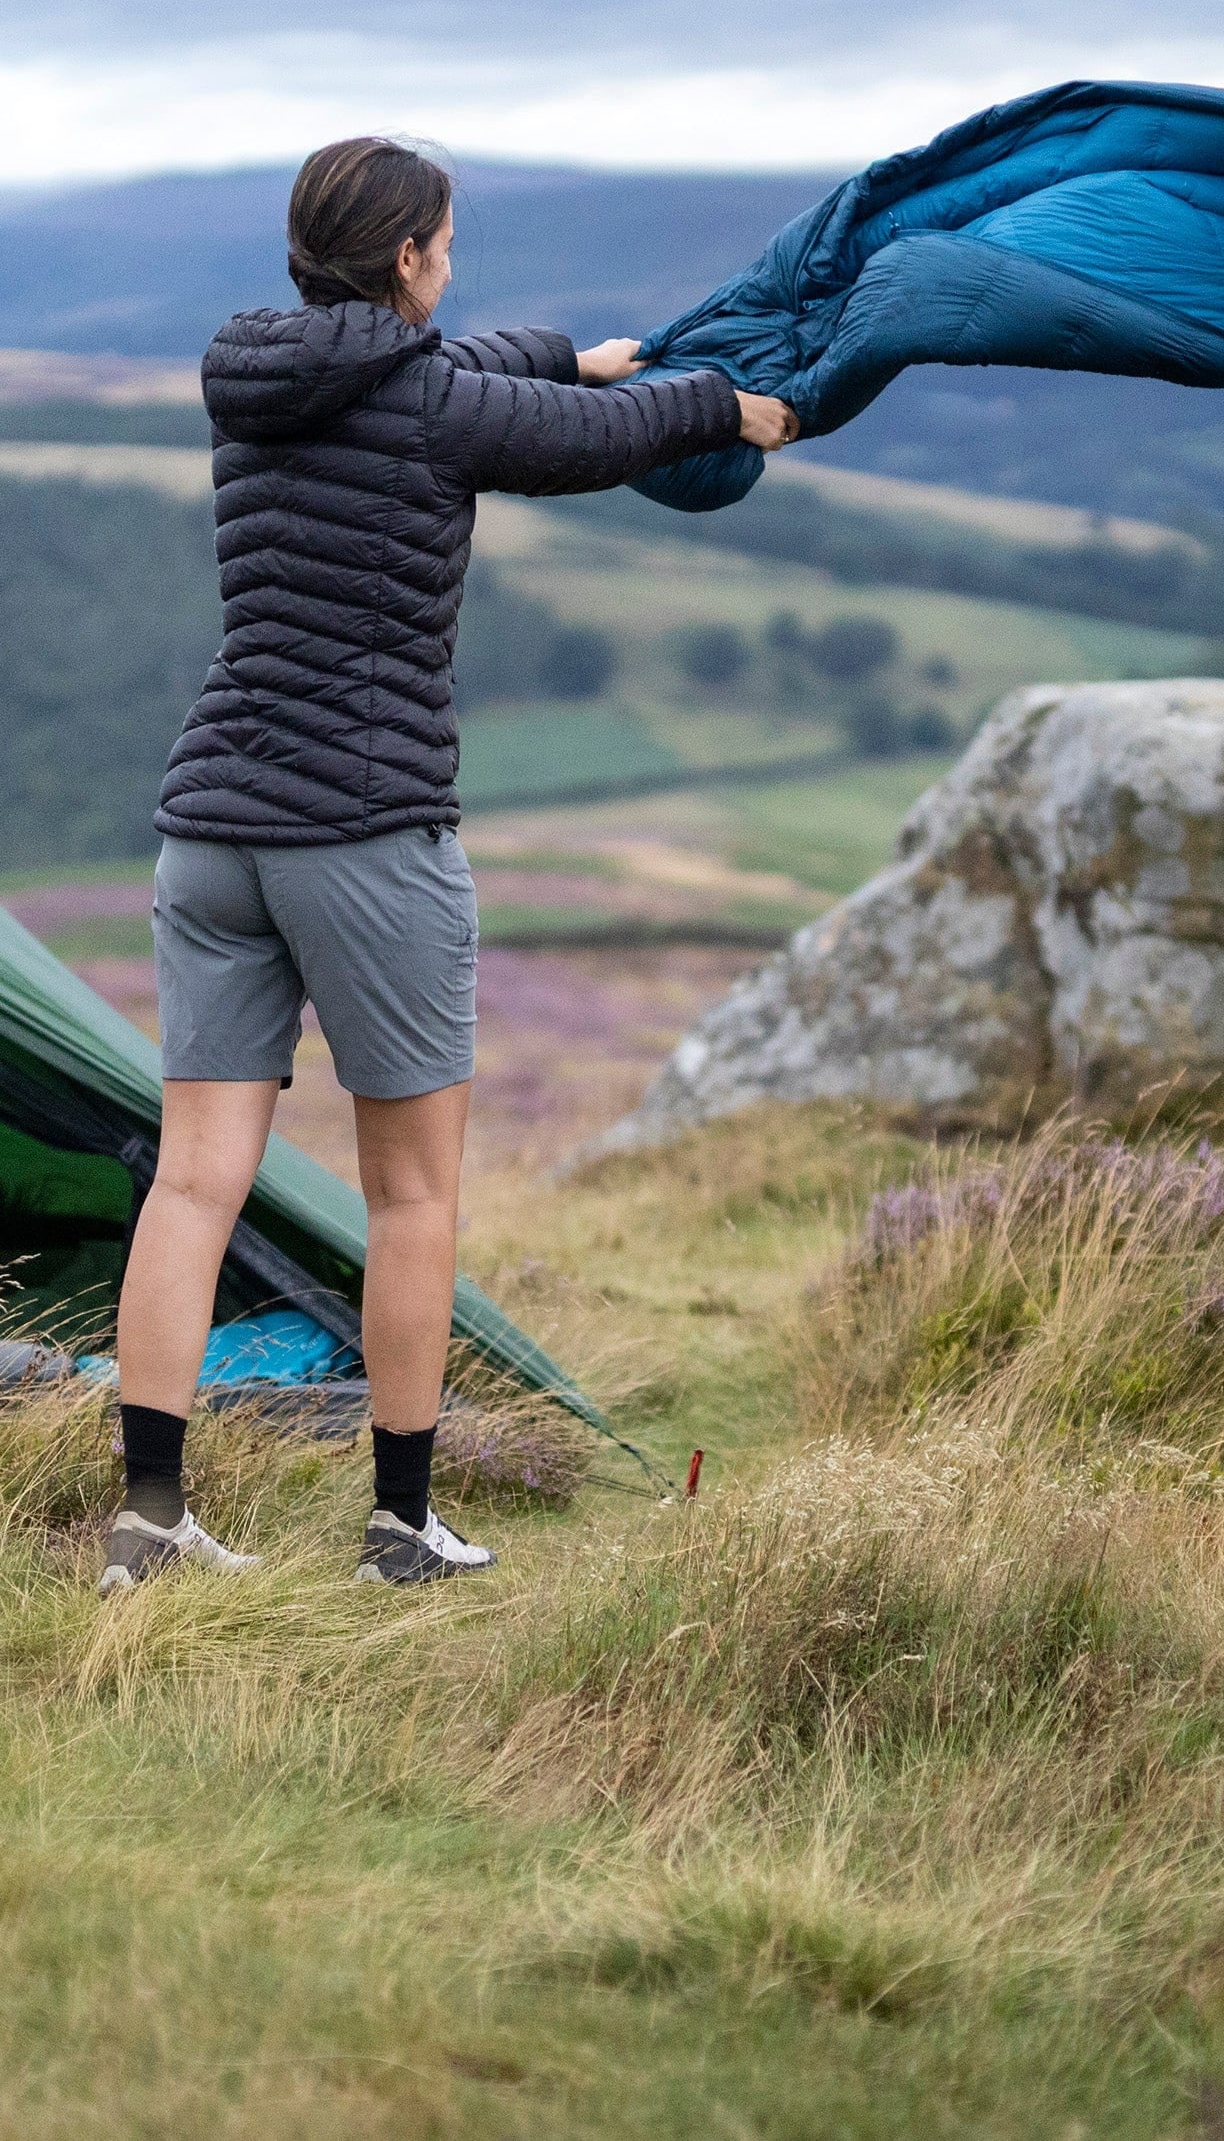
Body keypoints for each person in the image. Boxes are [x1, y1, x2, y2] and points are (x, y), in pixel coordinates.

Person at [99, 137, 796, 1596]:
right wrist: (720, 403)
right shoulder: (430, 411)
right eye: (449, 243)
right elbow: (588, 447)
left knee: (194, 1183)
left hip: (212, 828)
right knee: (412, 1193)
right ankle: (401, 1529)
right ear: (409, 257)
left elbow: (470, 373)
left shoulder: (256, 382)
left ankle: (148, 1525)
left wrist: (573, 354)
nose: (454, 264)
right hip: (366, 835)